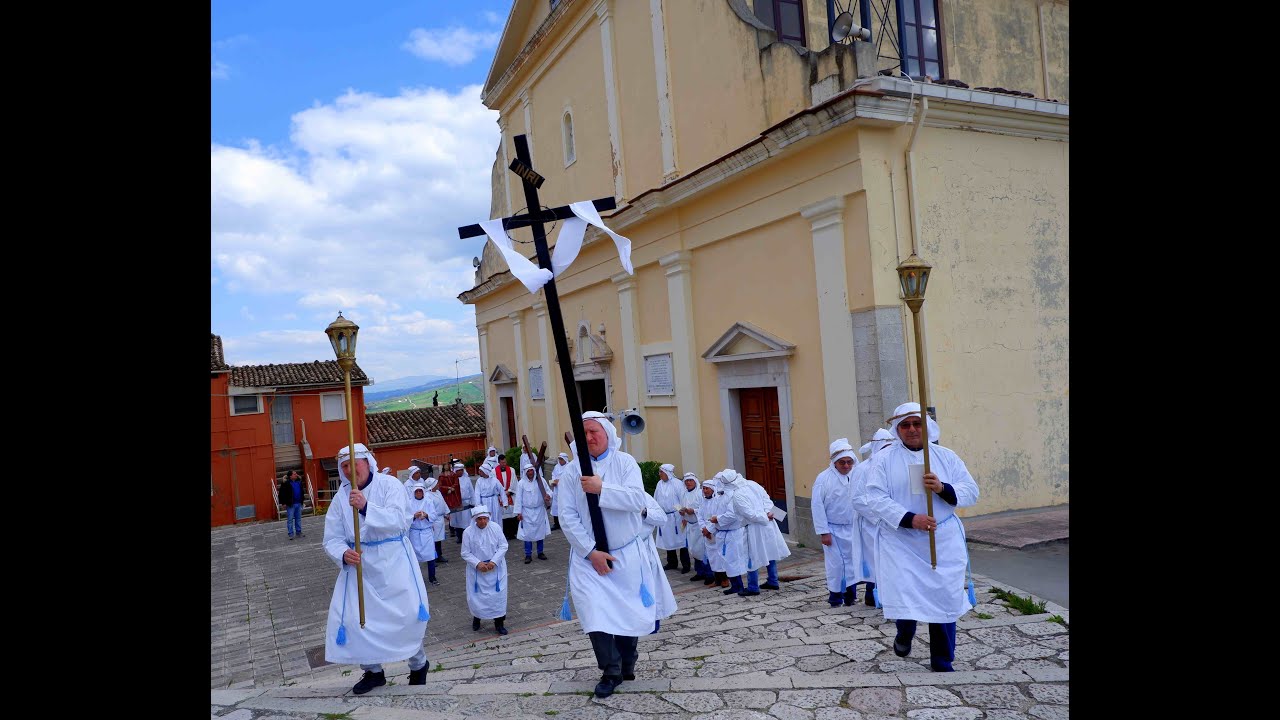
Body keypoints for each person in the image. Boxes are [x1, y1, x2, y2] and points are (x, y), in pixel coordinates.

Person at [558, 411, 677, 698]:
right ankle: (610, 670)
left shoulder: (625, 464)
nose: (588, 438)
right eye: (583, 433)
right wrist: (590, 552)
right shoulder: (572, 471)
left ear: (608, 434)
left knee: (625, 612)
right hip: (589, 560)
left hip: (625, 556)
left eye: (593, 432)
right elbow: (567, 515)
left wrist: (602, 488)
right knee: (595, 615)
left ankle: (628, 660)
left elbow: (637, 499)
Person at [861, 402, 980, 672]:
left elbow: (971, 491)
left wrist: (941, 488)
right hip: (902, 543)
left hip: (942, 538)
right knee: (907, 596)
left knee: (945, 600)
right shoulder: (883, 460)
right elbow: (875, 498)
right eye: (906, 425)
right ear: (897, 430)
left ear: (927, 427)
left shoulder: (946, 456)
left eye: (917, 424)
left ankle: (942, 660)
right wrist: (910, 519)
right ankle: (905, 632)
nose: (912, 429)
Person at [322, 444, 431, 695]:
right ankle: (373, 672)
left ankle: (418, 665)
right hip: (360, 565)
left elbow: (401, 521)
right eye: (345, 466)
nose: (350, 470)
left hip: (392, 561)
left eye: (354, 463)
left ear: (367, 462)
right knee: (354, 620)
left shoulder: (390, 485)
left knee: (405, 618)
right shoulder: (341, 496)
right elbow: (332, 537)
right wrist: (342, 553)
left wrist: (366, 507)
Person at [812, 438, 871, 607]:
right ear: (834, 463)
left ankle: (850, 596)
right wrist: (824, 531)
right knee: (836, 565)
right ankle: (835, 597)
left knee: (853, 563)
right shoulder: (823, 479)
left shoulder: (857, 476)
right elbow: (817, 506)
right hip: (833, 529)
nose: (846, 466)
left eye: (849, 462)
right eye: (842, 463)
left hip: (853, 528)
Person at [851, 428, 896, 605]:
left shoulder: (893, 468)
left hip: (891, 523)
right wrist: (880, 515)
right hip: (871, 524)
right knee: (874, 560)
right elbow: (857, 499)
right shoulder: (862, 470)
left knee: (890, 561)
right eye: (885, 448)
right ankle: (873, 595)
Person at [731, 470, 791, 592]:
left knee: (752, 556)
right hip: (768, 523)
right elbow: (766, 500)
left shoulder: (737, 494)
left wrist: (764, 515)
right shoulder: (753, 484)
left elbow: (749, 514)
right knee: (769, 552)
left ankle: (753, 587)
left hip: (754, 528)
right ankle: (773, 580)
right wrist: (768, 512)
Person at [461, 506, 509, 635]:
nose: (483, 521)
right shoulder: (468, 532)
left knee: (497, 597)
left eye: (485, 518)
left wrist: (494, 561)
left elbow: (503, 545)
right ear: (475, 520)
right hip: (477, 570)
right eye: (480, 519)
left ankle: (499, 623)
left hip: (495, 568)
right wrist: (477, 564)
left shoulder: (496, 528)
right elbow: (465, 552)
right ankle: (477, 617)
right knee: (478, 597)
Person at [706, 469, 750, 596]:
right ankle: (734, 584)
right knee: (727, 561)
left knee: (733, 560)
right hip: (723, 533)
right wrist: (712, 527)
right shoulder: (721, 496)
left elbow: (732, 515)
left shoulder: (732, 495)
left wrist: (717, 519)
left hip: (732, 533)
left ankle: (739, 585)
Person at [515, 455, 552, 563]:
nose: (530, 473)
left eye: (532, 471)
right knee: (527, 534)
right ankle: (528, 554)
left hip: (539, 510)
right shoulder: (521, 483)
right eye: (528, 471)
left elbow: (549, 491)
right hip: (527, 511)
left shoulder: (540, 481)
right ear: (525, 472)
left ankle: (540, 552)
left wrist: (548, 496)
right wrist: (519, 512)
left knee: (540, 532)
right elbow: (518, 498)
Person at [652, 463, 688, 572]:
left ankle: (685, 564)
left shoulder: (677, 484)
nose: (659, 474)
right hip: (665, 516)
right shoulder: (659, 484)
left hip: (677, 516)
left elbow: (682, 498)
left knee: (681, 540)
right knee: (668, 540)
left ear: (667, 472)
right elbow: (656, 498)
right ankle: (672, 562)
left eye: (661, 472)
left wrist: (682, 513)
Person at [678, 472, 711, 582]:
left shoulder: (700, 494)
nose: (688, 483)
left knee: (702, 550)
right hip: (690, 525)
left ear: (695, 482)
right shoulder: (684, 494)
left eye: (690, 480)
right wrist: (683, 513)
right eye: (686, 481)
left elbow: (704, 508)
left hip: (698, 525)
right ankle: (699, 572)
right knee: (694, 550)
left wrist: (693, 511)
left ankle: (708, 573)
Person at [406, 480, 439, 585]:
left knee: (430, 556)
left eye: (421, 491)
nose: (419, 493)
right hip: (415, 533)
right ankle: (417, 579)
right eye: (417, 491)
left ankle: (432, 577)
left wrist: (426, 515)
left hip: (426, 532)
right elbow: (406, 518)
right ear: (414, 492)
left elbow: (434, 515)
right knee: (415, 557)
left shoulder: (428, 501)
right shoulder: (409, 503)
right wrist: (414, 517)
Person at [422, 475, 451, 567]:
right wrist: (431, 521)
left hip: (440, 518)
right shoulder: (427, 495)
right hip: (433, 520)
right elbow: (428, 509)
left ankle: (439, 555)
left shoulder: (438, 492)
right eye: (436, 483)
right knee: (432, 540)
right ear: (432, 485)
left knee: (438, 539)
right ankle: (432, 558)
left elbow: (443, 502)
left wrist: (447, 513)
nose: (438, 484)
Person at [472, 460, 510, 527]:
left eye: (481, 471)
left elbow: (501, 490)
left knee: (496, 518)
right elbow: (477, 494)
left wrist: (505, 502)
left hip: (494, 501)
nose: (479, 472)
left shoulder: (494, 480)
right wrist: (478, 505)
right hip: (484, 503)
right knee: (486, 518)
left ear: (485, 472)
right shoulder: (479, 481)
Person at [490, 454, 518, 539]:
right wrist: (501, 493)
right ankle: (505, 533)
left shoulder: (511, 470)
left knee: (512, 514)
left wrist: (509, 491)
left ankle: (513, 533)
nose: (504, 464)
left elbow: (514, 482)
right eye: (502, 462)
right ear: (499, 462)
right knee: (503, 515)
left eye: (505, 462)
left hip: (510, 495)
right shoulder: (493, 472)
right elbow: (493, 484)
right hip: (500, 497)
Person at [446, 462, 474, 543]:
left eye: (462, 470)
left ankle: (467, 538)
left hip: (466, 503)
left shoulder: (467, 479)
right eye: (459, 471)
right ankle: (459, 537)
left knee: (466, 521)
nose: (460, 472)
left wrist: (473, 502)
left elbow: (471, 491)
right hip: (456, 503)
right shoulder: (451, 480)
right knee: (458, 521)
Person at [279, 470, 305, 539]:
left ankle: (298, 532)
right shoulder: (286, 483)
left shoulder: (299, 482)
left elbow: (302, 491)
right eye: (294, 474)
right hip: (291, 504)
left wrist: (302, 500)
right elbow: (282, 493)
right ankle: (290, 533)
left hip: (298, 503)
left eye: (296, 474)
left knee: (298, 519)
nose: (296, 475)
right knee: (290, 519)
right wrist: (283, 503)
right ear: (290, 476)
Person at [550, 452, 570, 531]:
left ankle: (566, 523)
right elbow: (553, 475)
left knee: (565, 506)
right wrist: (553, 481)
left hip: (565, 490)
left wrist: (560, 481)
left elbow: (568, 477)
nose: (560, 461)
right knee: (555, 506)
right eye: (559, 459)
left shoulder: (569, 467)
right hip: (557, 490)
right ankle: (556, 523)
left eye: (562, 459)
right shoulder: (556, 467)